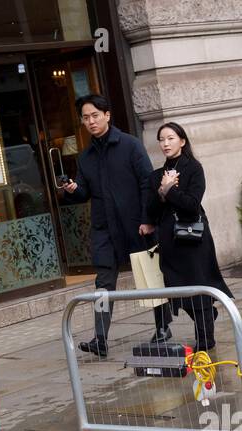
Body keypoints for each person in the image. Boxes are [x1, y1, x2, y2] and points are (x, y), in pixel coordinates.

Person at [57, 93, 154, 356]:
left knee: (148, 277)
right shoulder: (86, 156)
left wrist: (148, 218)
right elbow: (83, 192)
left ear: (107, 115)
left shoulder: (130, 145)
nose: (91, 121)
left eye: (95, 116)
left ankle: (163, 327)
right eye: (86, 118)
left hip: (135, 224)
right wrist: (72, 189)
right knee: (103, 283)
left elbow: (148, 182)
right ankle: (100, 338)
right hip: (104, 228)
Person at [144, 122, 231, 352]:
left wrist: (170, 191)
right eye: (162, 139)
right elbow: (150, 211)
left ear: (182, 141)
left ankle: (205, 341)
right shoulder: (155, 177)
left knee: (199, 285)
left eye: (171, 138)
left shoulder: (193, 168)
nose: (165, 143)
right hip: (170, 242)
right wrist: (161, 193)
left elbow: (192, 205)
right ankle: (208, 316)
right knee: (177, 287)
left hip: (193, 238)